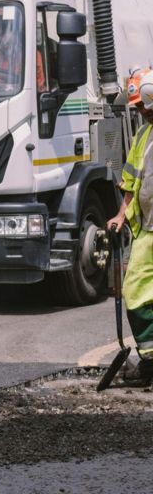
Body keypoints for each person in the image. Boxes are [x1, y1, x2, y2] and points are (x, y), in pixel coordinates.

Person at [107, 68, 153, 386]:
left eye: (140, 105)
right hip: (148, 231)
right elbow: (131, 180)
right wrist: (122, 214)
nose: (138, 111)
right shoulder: (142, 135)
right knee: (136, 295)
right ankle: (151, 361)